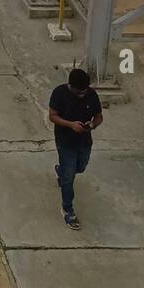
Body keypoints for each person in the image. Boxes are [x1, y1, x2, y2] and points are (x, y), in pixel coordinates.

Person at [49, 68, 103, 230]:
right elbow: (52, 116)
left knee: (80, 167)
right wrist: (71, 125)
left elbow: (99, 117)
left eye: (84, 91)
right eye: (79, 92)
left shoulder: (91, 95)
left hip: (84, 141)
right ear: (70, 86)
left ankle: (62, 170)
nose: (82, 94)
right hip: (65, 141)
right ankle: (67, 208)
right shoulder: (59, 93)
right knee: (68, 178)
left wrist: (92, 125)